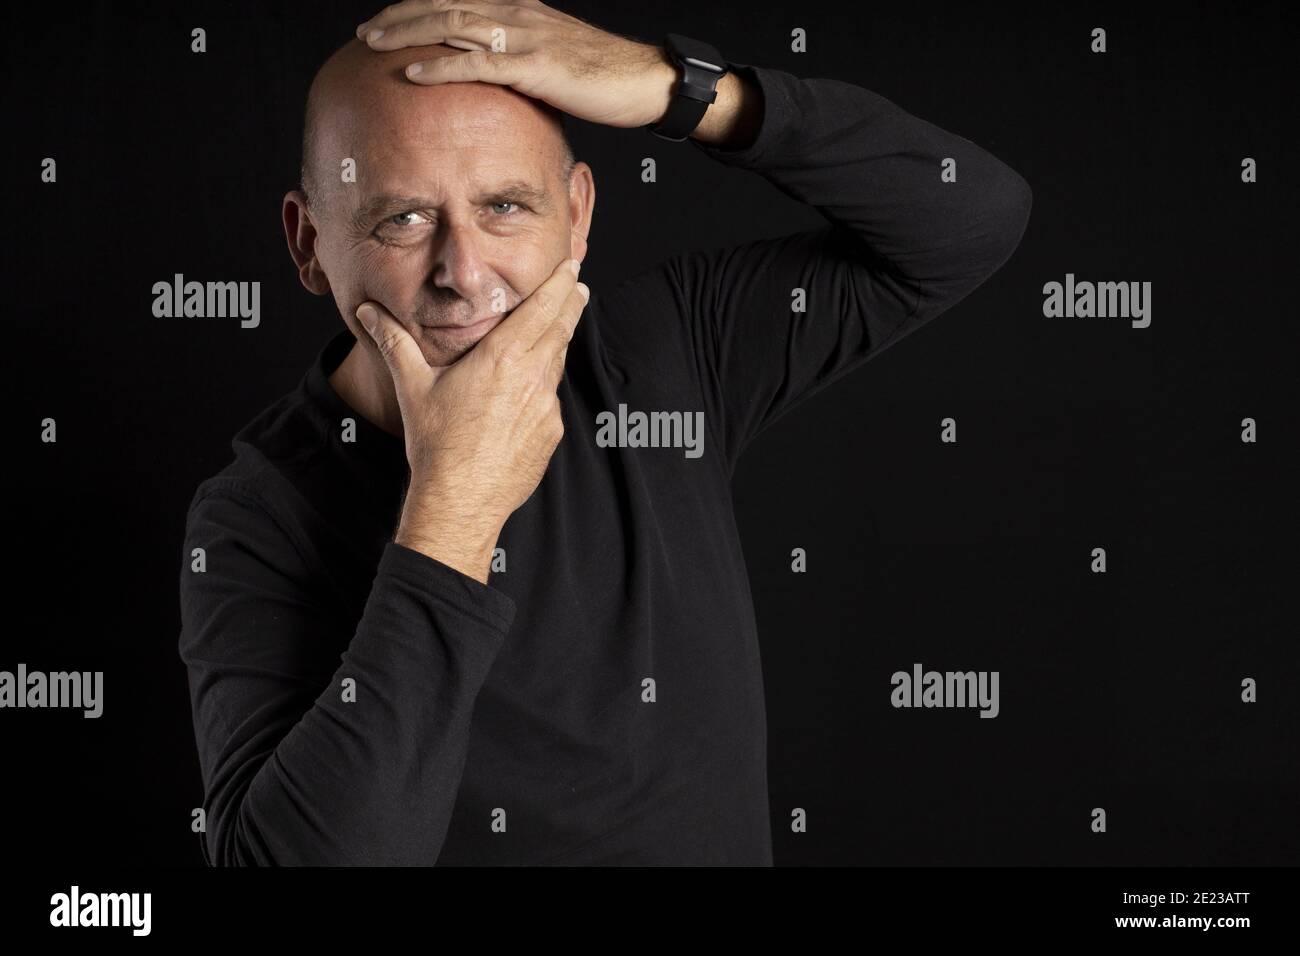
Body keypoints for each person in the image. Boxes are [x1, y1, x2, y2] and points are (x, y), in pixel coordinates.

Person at [178, 2, 1032, 866]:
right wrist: (452, 514)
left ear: (578, 216)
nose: (463, 274)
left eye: (506, 206)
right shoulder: (257, 519)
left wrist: (683, 89)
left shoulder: (663, 354)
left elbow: (972, 216)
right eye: (402, 220)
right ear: (310, 242)